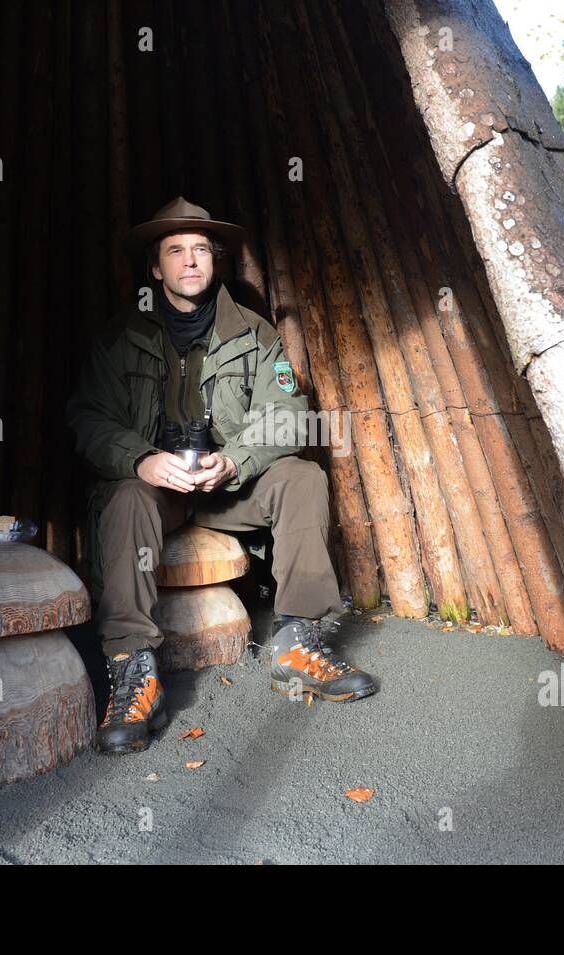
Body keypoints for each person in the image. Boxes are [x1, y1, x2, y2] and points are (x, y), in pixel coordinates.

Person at [66, 196, 378, 754]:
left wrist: (234, 459)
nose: (190, 261)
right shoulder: (121, 336)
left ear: (216, 262)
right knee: (126, 498)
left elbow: (289, 415)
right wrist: (142, 460)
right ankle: (133, 671)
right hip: (153, 491)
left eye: (202, 250)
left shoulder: (254, 332)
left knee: (302, 479)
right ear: (155, 268)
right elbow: (88, 420)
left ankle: (295, 641)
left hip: (226, 487)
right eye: (176, 250)